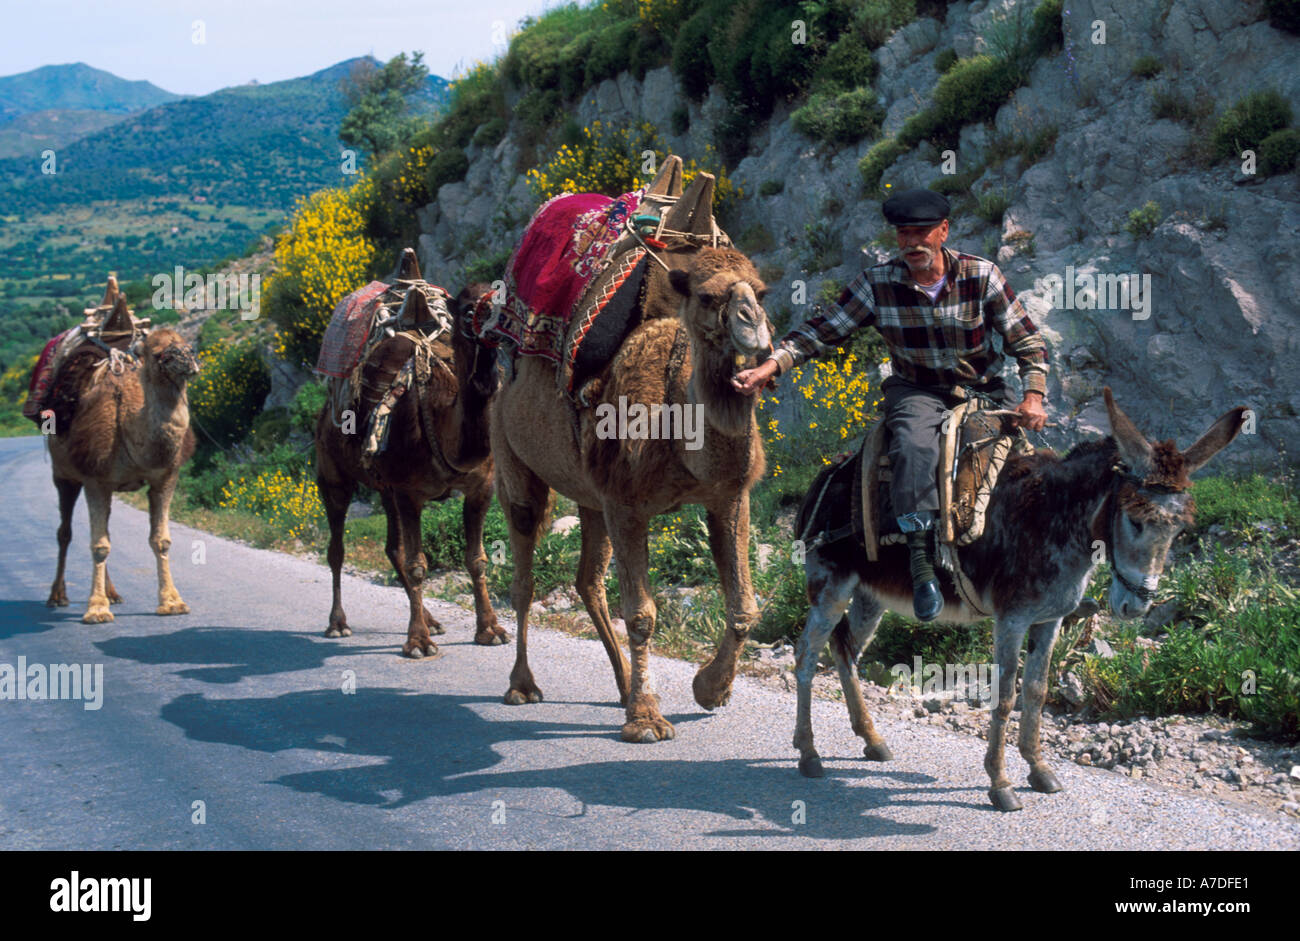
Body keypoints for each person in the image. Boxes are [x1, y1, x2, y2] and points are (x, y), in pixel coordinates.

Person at [733, 189, 1049, 622]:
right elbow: (823, 330)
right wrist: (771, 365)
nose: (912, 243)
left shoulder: (982, 275)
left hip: (986, 388)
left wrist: (1033, 396)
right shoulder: (877, 284)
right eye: (904, 234)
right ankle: (921, 564)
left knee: (1034, 467)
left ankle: (1047, 570)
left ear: (943, 231)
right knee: (914, 447)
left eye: (922, 233)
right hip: (918, 390)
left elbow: (1027, 340)